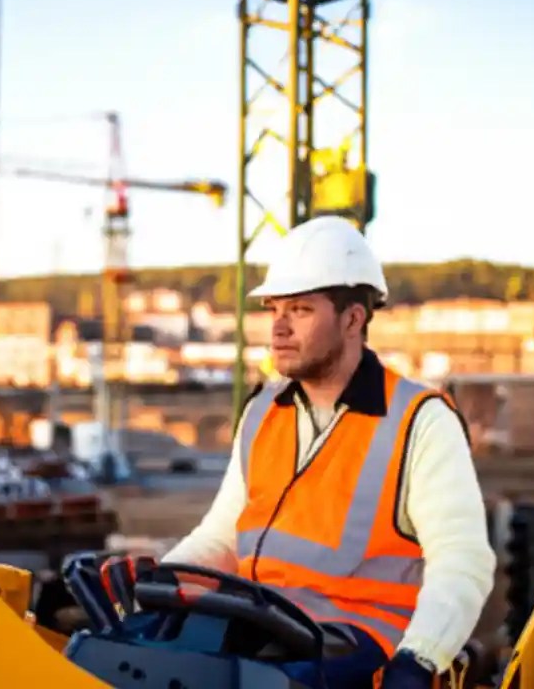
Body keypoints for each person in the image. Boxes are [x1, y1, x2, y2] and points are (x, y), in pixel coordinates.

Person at [104, 216, 496, 688]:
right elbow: (224, 538)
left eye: (301, 310)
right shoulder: (263, 411)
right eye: (274, 310)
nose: (279, 328)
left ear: (353, 318)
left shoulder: (421, 422)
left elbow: (462, 564)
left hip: (359, 648)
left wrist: (418, 661)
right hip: (260, 630)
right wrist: (161, 584)